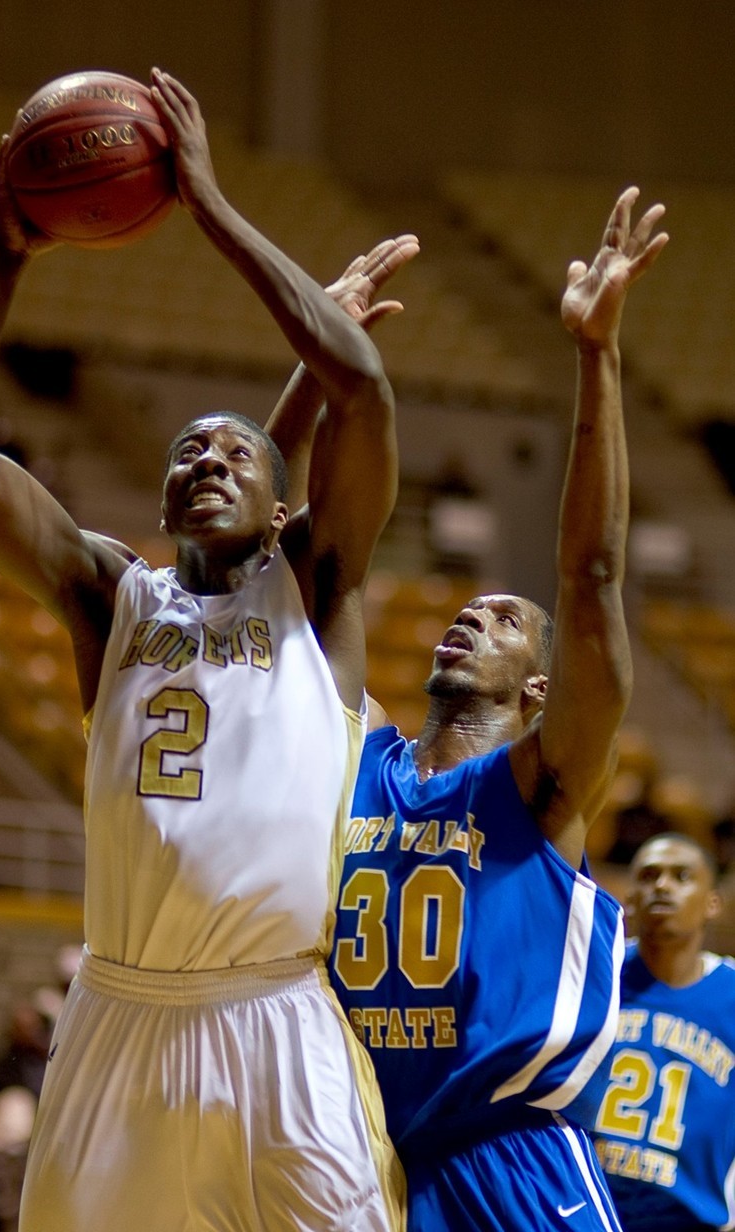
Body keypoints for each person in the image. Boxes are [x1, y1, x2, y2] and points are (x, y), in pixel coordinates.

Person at [0, 68, 418, 1232]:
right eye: (186, 449)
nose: (204, 459)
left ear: (282, 506)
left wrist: (210, 207)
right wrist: (3, 256)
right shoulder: (110, 596)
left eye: (234, 453)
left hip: (276, 1014)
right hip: (120, 1015)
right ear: (157, 495)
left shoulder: (316, 588)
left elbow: (360, 385)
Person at [324, 187, 668, 1231]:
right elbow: (327, 569)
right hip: (368, 1162)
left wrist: (596, 355)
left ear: (538, 687)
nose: (471, 615)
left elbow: (590, 576)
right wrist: (328, 371)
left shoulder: (539, 782)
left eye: (504, 619)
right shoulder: (355, 758)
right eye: (466, 610)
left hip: (508, 1158)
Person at [591, 832, 735, 1231]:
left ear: (713, 903)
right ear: (630, 898)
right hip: (586, 1208)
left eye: (681, 876)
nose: (662, 886)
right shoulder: (595, 974)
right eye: (649, 875)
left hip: (685, 1220)